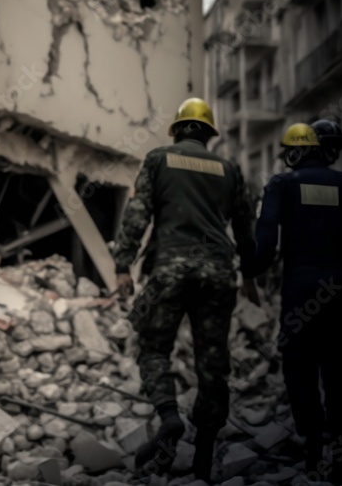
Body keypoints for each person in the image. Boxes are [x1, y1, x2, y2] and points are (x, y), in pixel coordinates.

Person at [113, 97, 257, 481]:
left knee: (154, 346)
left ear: (176, 129)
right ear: (209, 134)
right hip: (218, 274)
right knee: (213, 363)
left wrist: (123, 264)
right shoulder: (230, 169)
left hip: (169, 270)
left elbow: (138, 212)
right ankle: (204, 455)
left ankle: (169, 416)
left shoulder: (159, 159)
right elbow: (245, 226)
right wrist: (254, 275)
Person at [246, 122, 342, 482]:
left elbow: (266, 243)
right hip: (341, 286)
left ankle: (314, 450)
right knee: (340, 368)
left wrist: (249, 270)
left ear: (292, 153)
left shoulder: (282, 185)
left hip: (300, 287)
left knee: (300, 368)